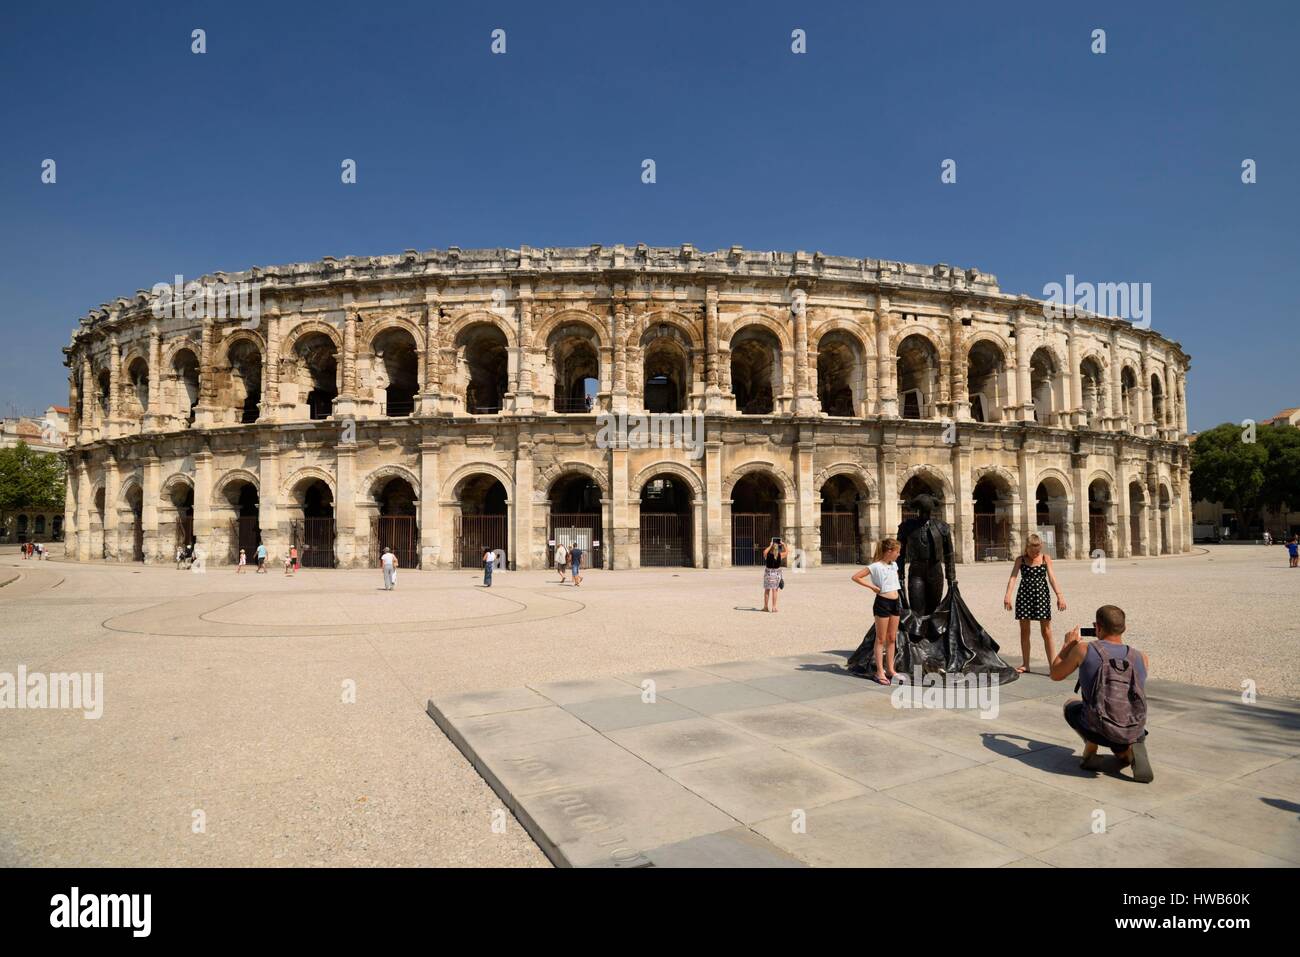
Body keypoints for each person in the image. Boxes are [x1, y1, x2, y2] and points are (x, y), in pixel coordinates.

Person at [1050, 604, 1153, 783]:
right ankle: (1127, 749)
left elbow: (1055, 674)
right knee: (1122, 714)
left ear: (1097, 627)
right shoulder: (1141, 657)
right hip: (1132, 729)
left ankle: (1091, 745)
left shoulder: (1084, 649)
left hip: (1097, 728)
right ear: (1124, 628)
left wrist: (1067, 646)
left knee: (1070, 705)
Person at [1003, 533, 1066, 673]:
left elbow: (1052, 578)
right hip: (1024, 597)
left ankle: (1052, 666)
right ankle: (1026, 664)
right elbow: (1013, 578)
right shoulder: (1020, 560)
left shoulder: (1045, 559)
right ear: (1027, 547)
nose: (1035, 553)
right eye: (1033, 550)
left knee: (1047, 631)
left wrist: (1059, 596)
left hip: (1041, 597)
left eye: (1037, 550)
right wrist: (1008, 595)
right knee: (1025, 631)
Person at [852, 538, 902, 684]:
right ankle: (880, 671)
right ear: (889, 551)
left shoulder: (894, 565)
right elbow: (856, 577)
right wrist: (872, 587)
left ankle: (890, 669)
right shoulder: (875, 566)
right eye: (897, 552)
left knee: (892, 637)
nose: (899, 554)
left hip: (895, 602)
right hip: (883, 602)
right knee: (881, 638)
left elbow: (895, 580)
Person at [761, 537, 786, 612]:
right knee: (775, 591)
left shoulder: (768, 555)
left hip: (768, 574)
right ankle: (774, 607)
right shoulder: (780, 555)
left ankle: (765, 607)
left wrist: (770, 546)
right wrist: (784, 545)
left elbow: (764, 552)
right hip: (776, 575)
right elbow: (787, 552)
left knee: (767, 590)